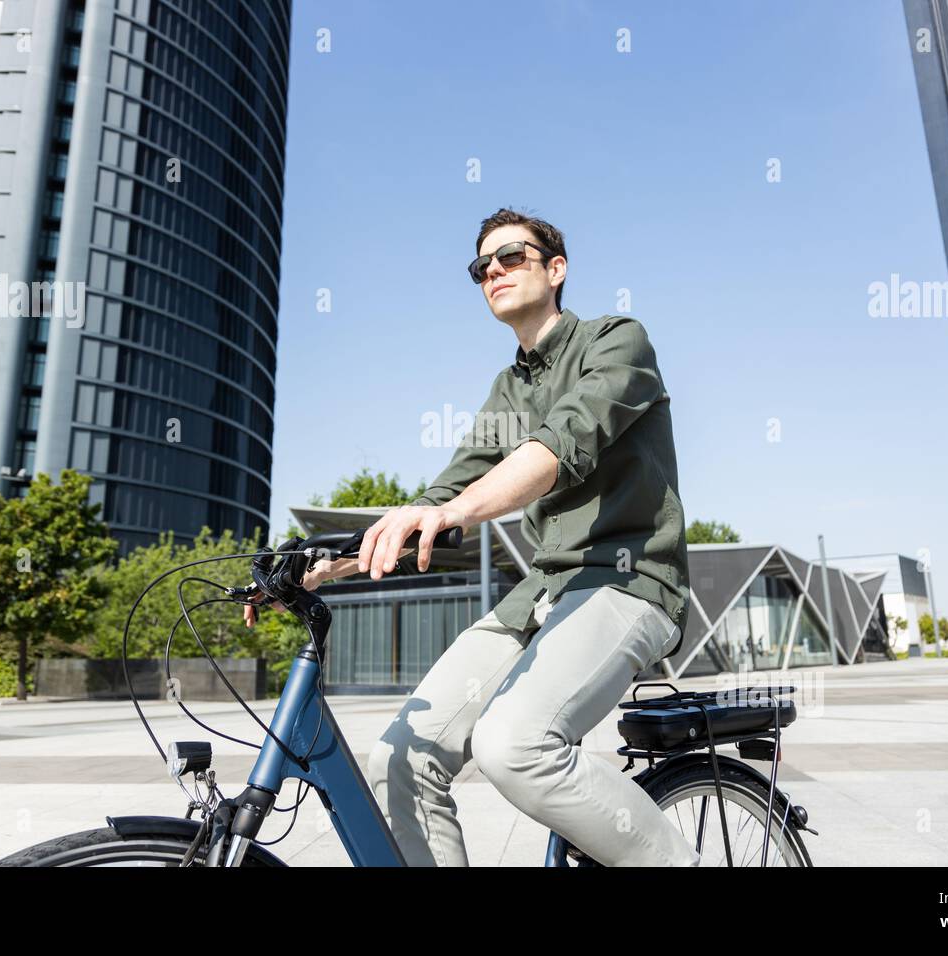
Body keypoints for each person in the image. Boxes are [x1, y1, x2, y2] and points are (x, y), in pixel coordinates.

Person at [247, 208, 697, 866]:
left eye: (511, 257)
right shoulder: (506, 391)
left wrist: (454, 511)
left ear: (556, 268)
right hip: (539, 596)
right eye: (480, 267)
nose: (493, 272)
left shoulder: (617, 340)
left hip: (627, 583)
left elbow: (558, 449)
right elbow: (443, 493)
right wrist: (317, 568)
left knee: (514, 745)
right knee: (400, 759)